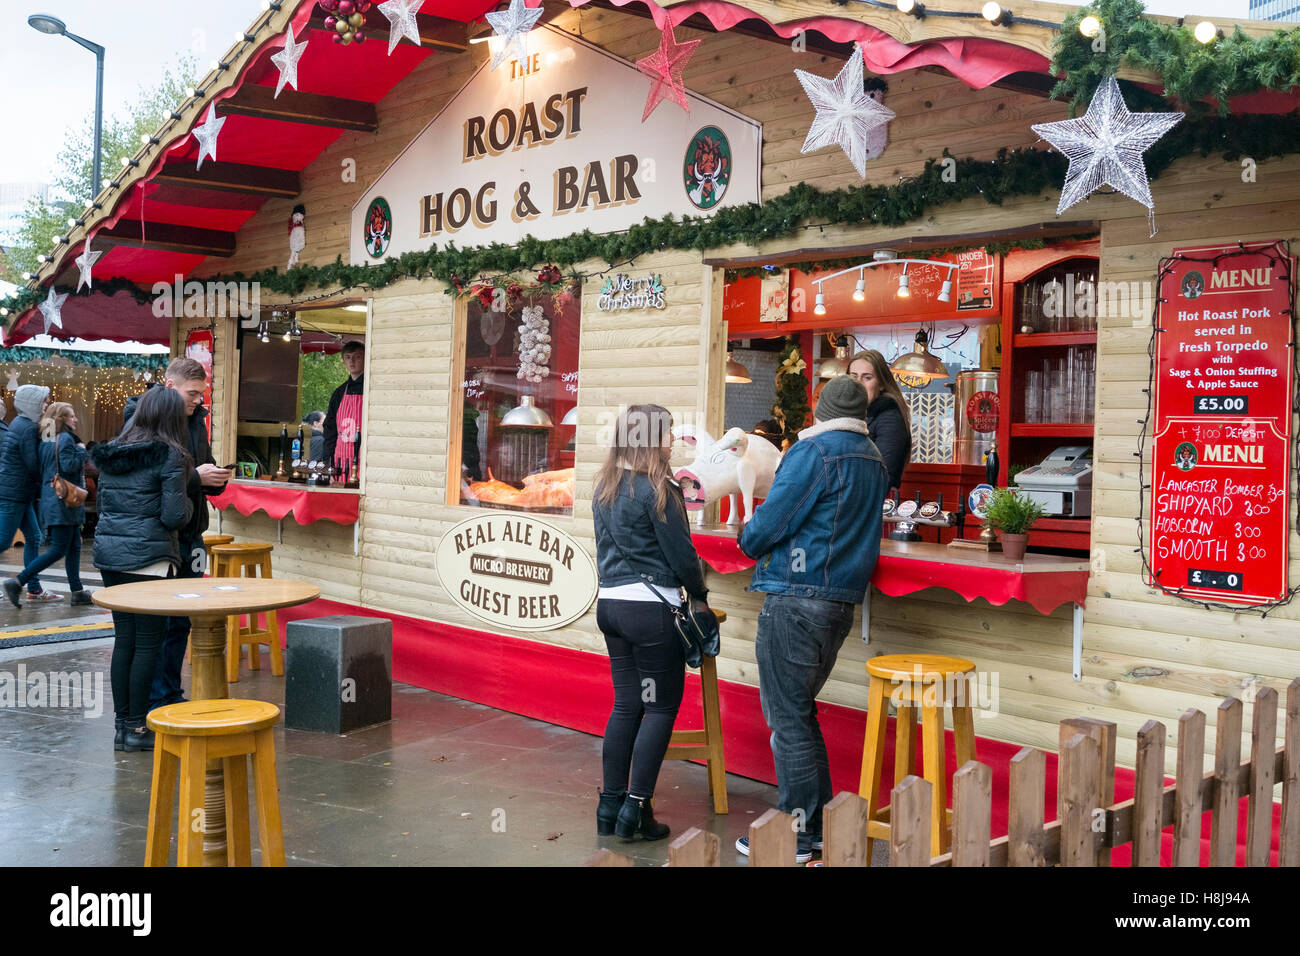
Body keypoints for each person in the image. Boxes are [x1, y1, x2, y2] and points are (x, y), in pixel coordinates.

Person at [736, 376, 889, 863]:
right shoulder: (874, 458)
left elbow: (772, 523)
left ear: (819, 413)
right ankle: (818, 830)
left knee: (788, 720)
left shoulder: (813, 453)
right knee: (798, 714)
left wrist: (747, 536)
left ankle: (798, 837)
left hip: (797, 600)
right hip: (838, 604)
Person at [592, 404, 710, 842]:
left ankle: (610, 806)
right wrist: (699, 594)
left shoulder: (604, 485)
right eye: (668, 433)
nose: (672, 440)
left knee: (627, 705)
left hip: (611, 606)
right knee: (660, 708)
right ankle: (636, 810)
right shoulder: (660, 489)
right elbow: (681, 558)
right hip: (651, 611)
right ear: (649, 439)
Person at [123, 357, 231, 710]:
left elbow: (199, 464)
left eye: (202, 393)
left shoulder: (197, 420)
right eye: (193, 393)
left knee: (182, 619)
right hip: (158, 536)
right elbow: (148, 478)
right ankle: (151, 702)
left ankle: (169, 692)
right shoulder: (141, 417)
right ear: (170, 387)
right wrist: (197, 478)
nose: (199, 400)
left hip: (191, 532)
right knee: (155, 624)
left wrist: (213, 479)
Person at [92, 387, 194, 752]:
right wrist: (192, 508)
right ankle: (137, 729)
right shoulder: (170, 455)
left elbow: (104, 505)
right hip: (149, 559)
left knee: (125, 640)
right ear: (171, 418)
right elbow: (174, 516)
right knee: (148, 643)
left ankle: (123, 727)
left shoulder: (113, 452)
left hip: (110, 556)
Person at [4, 403, 90, 607]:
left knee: (74, 546)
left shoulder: (47, 439)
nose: (75, 420)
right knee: (59, 549)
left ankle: (77, 592)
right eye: (72, 416)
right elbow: (69, 465)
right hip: (63, 501)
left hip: (54, 498)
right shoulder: (67, 439)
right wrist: (82, 451)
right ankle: (18, 581)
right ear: (62, 419)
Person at [0, 385, 58, 604]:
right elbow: (35, 463)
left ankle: (34, 588)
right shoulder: (25, 428)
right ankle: (34, 588)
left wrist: (48, 427)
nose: (46, 405)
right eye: (44, 402)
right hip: (13, 492)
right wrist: (50, 431)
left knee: (33, 537)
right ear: (32, 403)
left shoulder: (22, 424)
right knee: (3, 541)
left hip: (19, 492)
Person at [848, 350, 912, 493]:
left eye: (867, 378)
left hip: (869, 504)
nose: (858, 384)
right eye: (853, 377)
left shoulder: (890, 417)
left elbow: (883, 476)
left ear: (882, 384)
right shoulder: (858, 415)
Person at [323, 340, 365, 477]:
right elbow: (330, 430)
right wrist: (327, 462)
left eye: (357, 357)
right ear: (343, 361)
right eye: (347, 357)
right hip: (340, 459)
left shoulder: (371, 390)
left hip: (365, 460)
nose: (352, 361)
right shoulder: (339, 393)